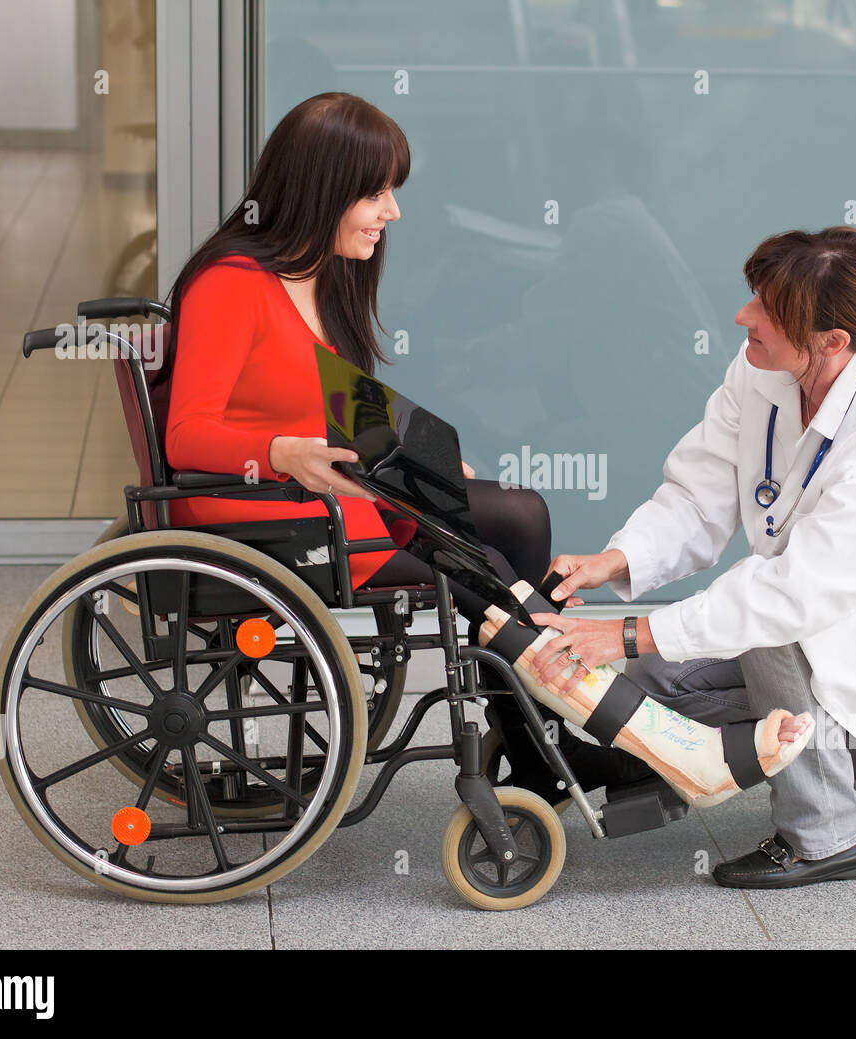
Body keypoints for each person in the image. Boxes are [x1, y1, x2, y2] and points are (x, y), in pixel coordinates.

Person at [160, 91, 645, 797]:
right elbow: (185, 436)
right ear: (323, 189)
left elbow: (334, 405)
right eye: (377, 194)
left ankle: (538, 743)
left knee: (519, 514)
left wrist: (419, 453)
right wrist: (281, 452)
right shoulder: (231, 285)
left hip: (327, 490)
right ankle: (548, 747)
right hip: (265, 506)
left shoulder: (313, 277)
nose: (393, 212)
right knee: (485, 563)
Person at [526, 227, 856, 888]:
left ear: (831, 342)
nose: (741, 316)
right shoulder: (761, 371)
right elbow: (699, 494)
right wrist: (616, 559)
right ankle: (849, 753)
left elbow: (798, 592)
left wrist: (623, 631)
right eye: (754, 297)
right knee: (644, 688)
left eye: (767, 310)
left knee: (761, 615)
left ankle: (830, 831)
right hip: (809, 610)